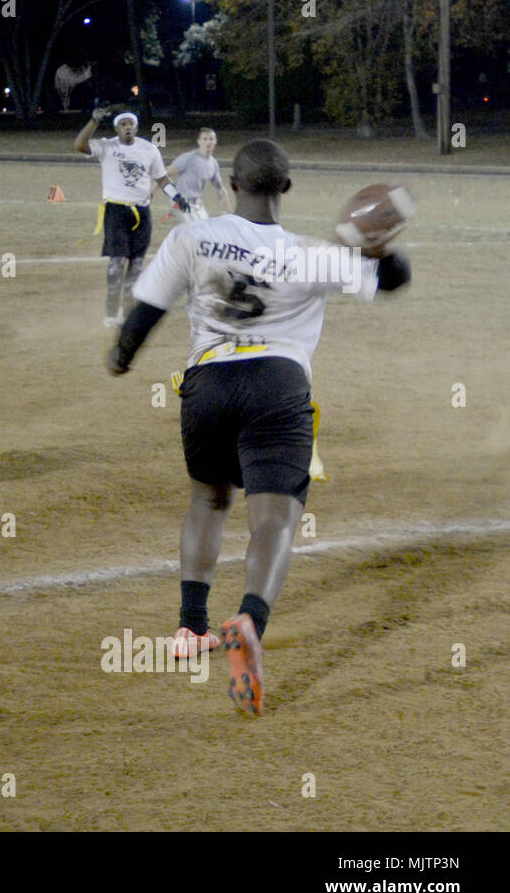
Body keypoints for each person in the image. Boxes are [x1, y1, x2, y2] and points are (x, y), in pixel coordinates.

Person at [105, 139, 411, 716]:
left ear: (234, 183)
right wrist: (382, 247)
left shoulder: (193, 236)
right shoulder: (311, 253)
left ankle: (190, 629)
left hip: (209, 382)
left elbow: (145, 312)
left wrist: (121, 356)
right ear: (285, 189)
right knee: (274, 517)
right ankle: (250, 618)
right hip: (277, 384)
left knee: (209, 498)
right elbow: (393, 280)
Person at [74, 109, 192, 327]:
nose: (127, 127)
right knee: (116, 264)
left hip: (142, 213)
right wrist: (93, 122)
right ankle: (111, 312)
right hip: (116, 211)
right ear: (117, 128)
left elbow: (162, 178)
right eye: (123, 124)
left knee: (136, 266)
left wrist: (177, 196)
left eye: (131, 124)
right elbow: (79, 145)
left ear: (136, 127)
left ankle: (127, 312)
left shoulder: (149, 149)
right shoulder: (107, 146)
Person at [167, 128, 233, 221]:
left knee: (204, 230)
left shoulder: (213, 164)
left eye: (211, 139)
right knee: (194, 229)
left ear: (215, 142)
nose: (208, 142)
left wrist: (230, 214)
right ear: (199, 142)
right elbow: (164, 175)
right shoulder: (188, 158)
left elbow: (221, 190)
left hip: (196, 203)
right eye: (205, 139)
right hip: (180, 202)